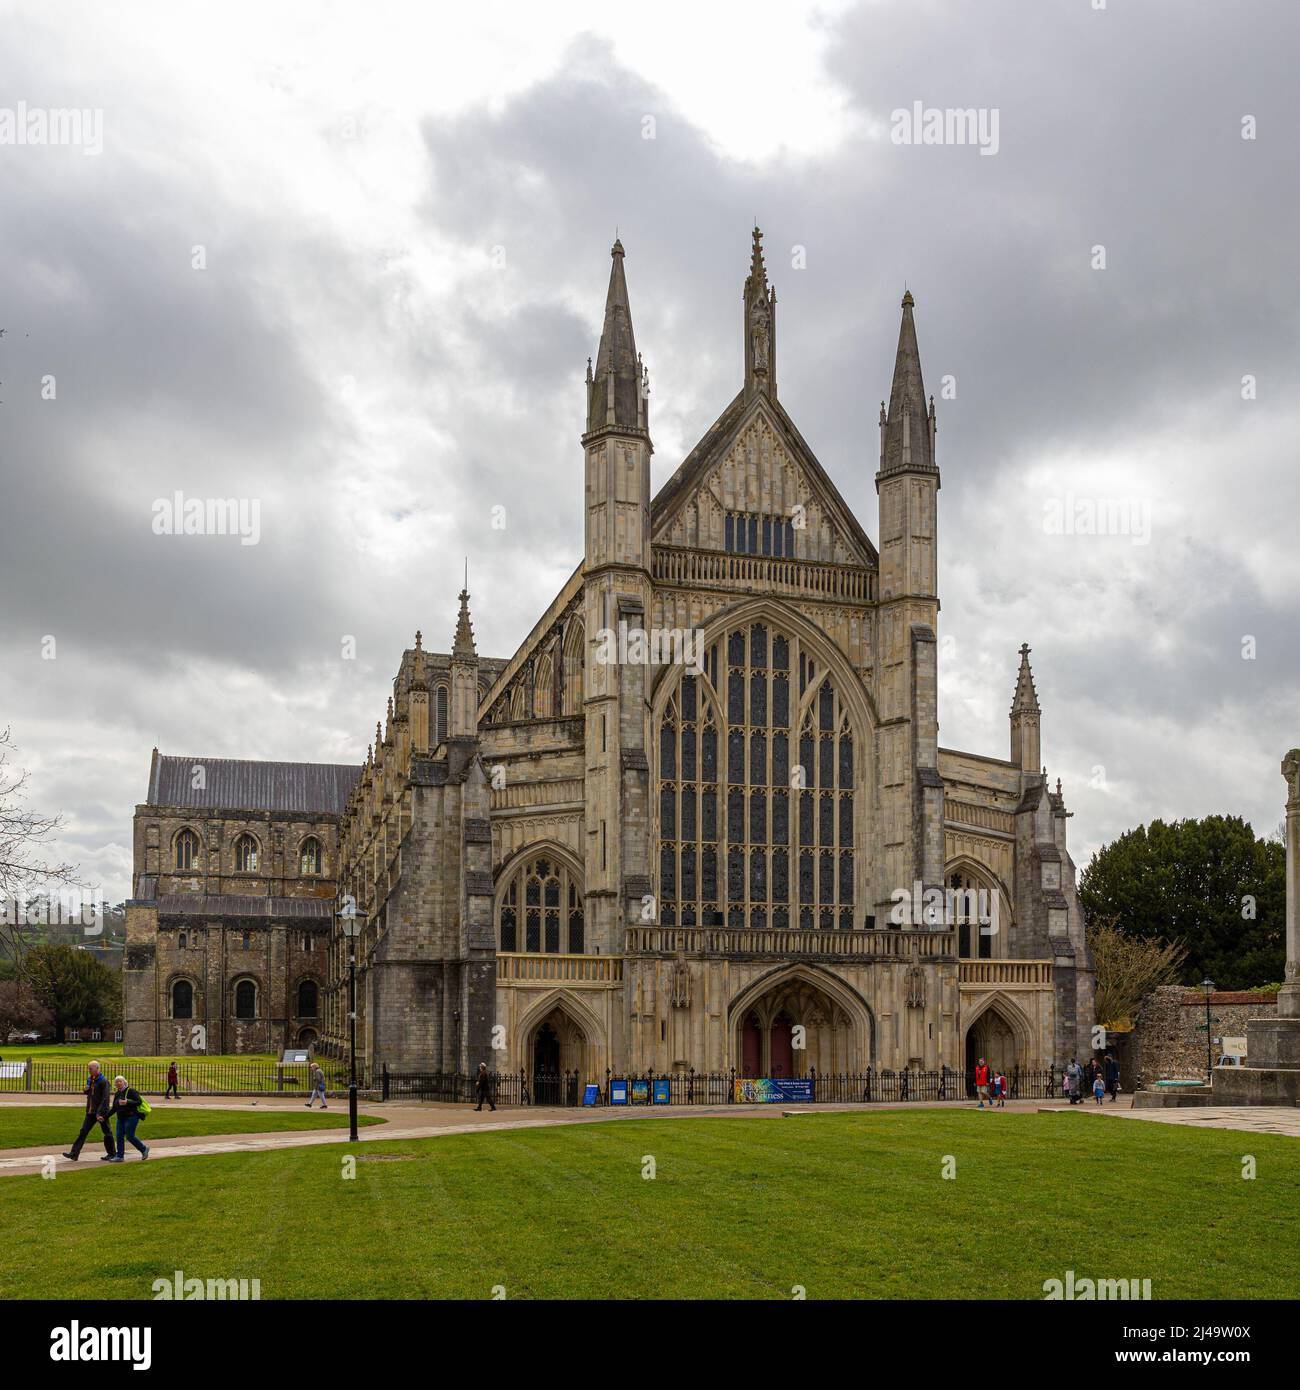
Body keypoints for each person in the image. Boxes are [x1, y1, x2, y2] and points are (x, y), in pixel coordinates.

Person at [62, 1060, 115, 1162]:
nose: (89, 1070)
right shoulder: (90, 1079)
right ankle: (74, 1153)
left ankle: (112, 1153)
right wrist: (85, 1090)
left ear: (97, 1069)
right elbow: (89, 1093)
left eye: (91, 1068)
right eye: (88, 1068)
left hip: (101, 1112)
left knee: (107, 1132)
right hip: (90, 1111)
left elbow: (105, 1099)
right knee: (83, 1132)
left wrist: (99, 1112)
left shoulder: (104, 1081)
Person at [107, 1075, 149, 1162]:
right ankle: (120, 1156)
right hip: (121, 1118)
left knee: (130, 1136)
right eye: (117, 1082)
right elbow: (114, 1108)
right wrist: (105, 1117)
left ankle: (144, 1149)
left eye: (120, 1081)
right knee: (119, 1136)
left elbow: (139, 1102)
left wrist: (127, 1102)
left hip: (132, 1117)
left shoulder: (131, 1091)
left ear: (124, 1082)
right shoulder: (117, 1093)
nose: (118, 1083)